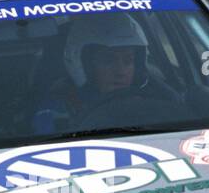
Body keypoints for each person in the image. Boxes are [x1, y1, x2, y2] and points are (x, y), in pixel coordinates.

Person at [32, 13, 180, 134]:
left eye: (128, 61)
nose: (120, 71)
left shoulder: (160, 97)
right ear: (84, 64)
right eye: (108, 61)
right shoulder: (56, 111)